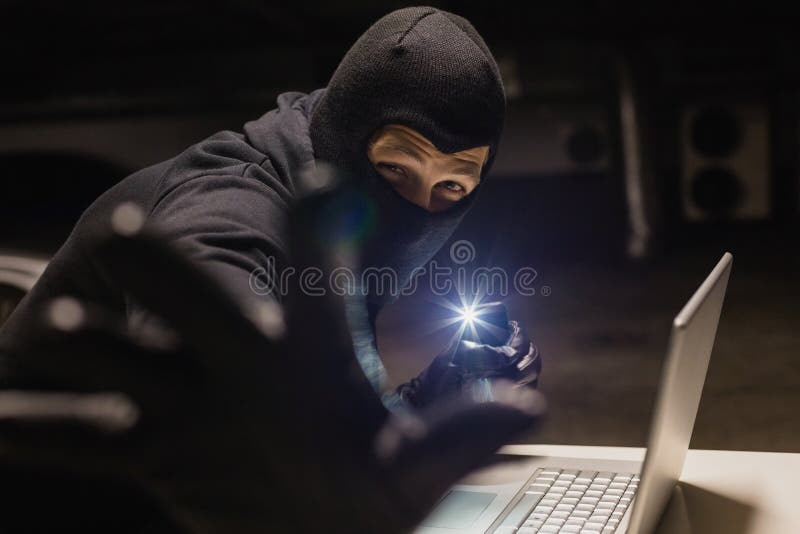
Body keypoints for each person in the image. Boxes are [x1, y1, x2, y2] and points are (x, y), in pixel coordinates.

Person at [0, 6, 540, 408]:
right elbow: (225, 419)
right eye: (395, 169)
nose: (415, 210)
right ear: (345, 140)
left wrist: (433, 401)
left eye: (451, 188)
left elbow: (309, 436)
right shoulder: (232, 205)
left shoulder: (333, 211)